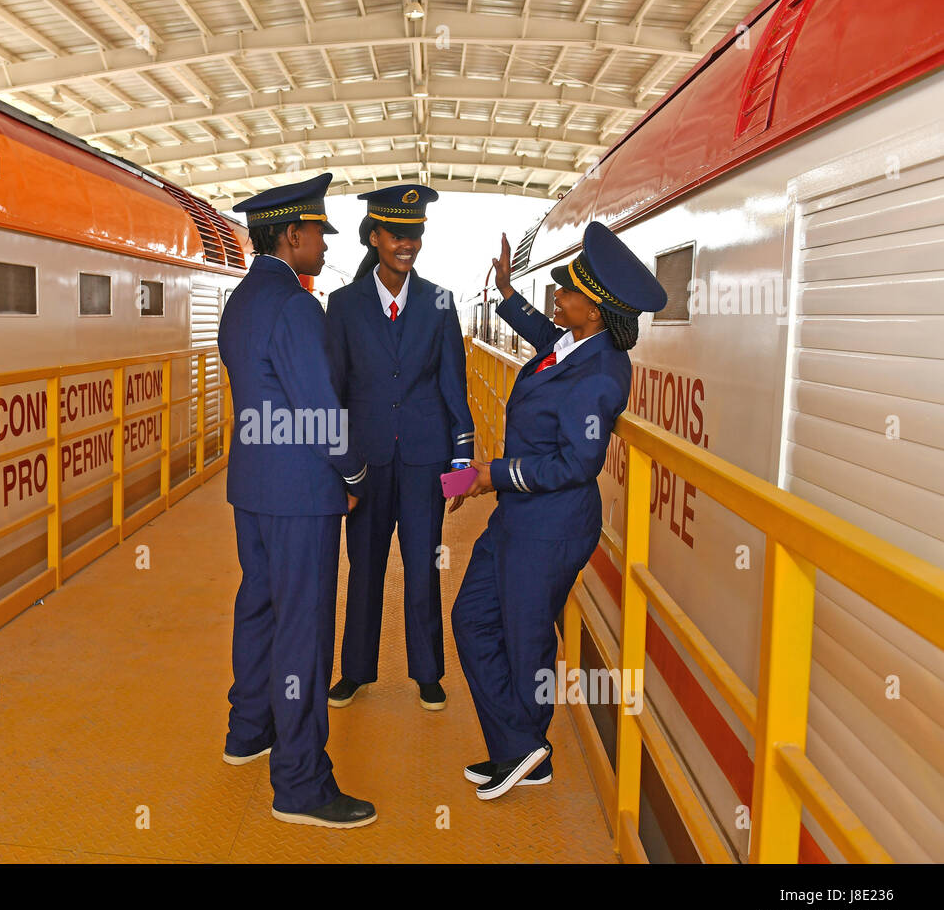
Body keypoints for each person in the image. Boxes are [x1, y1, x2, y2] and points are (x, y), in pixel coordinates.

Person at [450, 220, 667, 800]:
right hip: (521, 517)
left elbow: (576, 464)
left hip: (552, 523)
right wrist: (505, 292)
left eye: (567, 292)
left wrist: (492, 475)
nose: (558, 298)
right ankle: (522, 748)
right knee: (472, 619)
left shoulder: (600, 375)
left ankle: (524, 749)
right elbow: (542, 329)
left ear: (594, 311)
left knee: (526, 641)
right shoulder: (571, 343)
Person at [218, 172, 377, 829]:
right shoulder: (294, 306)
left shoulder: (242, 301)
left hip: (253, 486)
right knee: (303, 631)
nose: (322, 242)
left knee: (258, 609)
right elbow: (318, 407)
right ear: (292, 234)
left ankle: (248, 730)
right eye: (316, 231)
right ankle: (302, 783)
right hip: (300, 493)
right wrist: (355, 473)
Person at [324, 184, 475, 712]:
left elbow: (454, 385)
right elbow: (334, 390)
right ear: (374, 237)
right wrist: (338, 468)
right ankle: (356, 670)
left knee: (422, 566)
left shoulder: (439, 302)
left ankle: (427, 672)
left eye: (414, 234)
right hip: (366, 462)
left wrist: (460, 462)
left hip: (424, 460)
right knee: (363, 567)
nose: (406, 244)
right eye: (396, 234)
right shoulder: (343, 306)